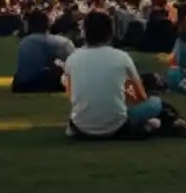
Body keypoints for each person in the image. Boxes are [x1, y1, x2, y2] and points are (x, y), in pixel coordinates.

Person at [65, 11, 169, 139]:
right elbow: (140, 95)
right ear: (110, 33)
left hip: (81, 125)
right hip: (117, 124)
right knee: (155, 103)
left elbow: (71, 95)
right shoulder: (122, 57)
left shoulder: (72, 59)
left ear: (84, 33)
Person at [12, 10, 75, 93]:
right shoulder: (59, 42)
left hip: (21, 85)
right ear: (47, 24)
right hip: (43, 84)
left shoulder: (24, 42)